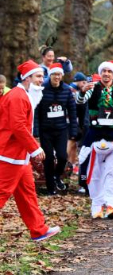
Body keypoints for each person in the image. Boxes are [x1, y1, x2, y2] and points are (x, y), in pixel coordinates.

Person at [0, 60, 61, 241]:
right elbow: (17, 126)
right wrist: (34, 148)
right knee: (2, 192)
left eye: (42, 76)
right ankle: (39, 229)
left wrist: (30, 150)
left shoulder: (23, 95)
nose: (42, 80)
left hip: (19, 155)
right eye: (38, 76)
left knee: (27, 195)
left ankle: (39, 230)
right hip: (10, 154)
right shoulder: (18, 96)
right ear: (26, 78)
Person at [77, 61, 113, 219]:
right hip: (95, 134)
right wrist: (82, 92)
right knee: (94, 173)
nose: (106, 74)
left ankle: (111, 206)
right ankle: (97, 206)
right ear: (100, 73)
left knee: (111, 173)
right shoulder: (92, 88)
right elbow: (80, 101)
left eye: (109, 71)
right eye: (104, 71)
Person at [33, 63, 78, 195]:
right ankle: (50, 188)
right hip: (45, 130)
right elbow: (36, 112)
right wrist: (35, 131)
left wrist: (73, 131)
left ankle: (56, 176)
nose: (57, 77)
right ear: (50, 75)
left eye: (59, 74)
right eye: (54, 74)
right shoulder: (42, 89)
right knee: (48, 159)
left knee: (62, 156)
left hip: (61, 129)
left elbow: (72, 111)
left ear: (62, 75)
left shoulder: (66, 90)